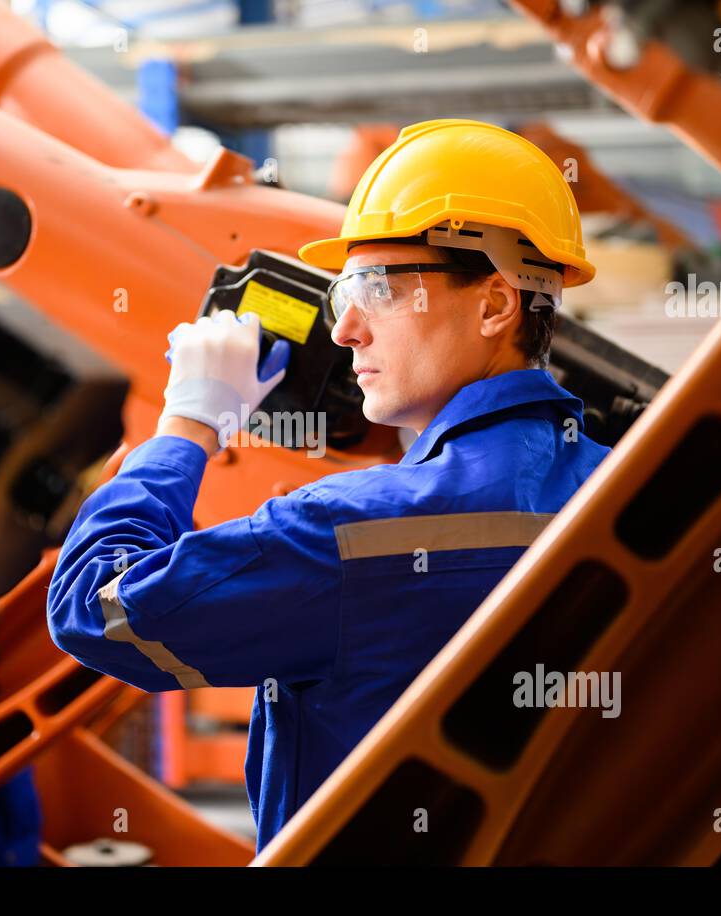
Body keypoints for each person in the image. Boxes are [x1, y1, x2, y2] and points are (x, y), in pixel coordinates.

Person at [47, 119, 611, 853]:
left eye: (376, 287)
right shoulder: (633, 489)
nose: (345, 331)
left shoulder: (351, 535)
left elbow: (96, 610)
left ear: (497, 304)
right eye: (346, 290)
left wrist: (188, 424)